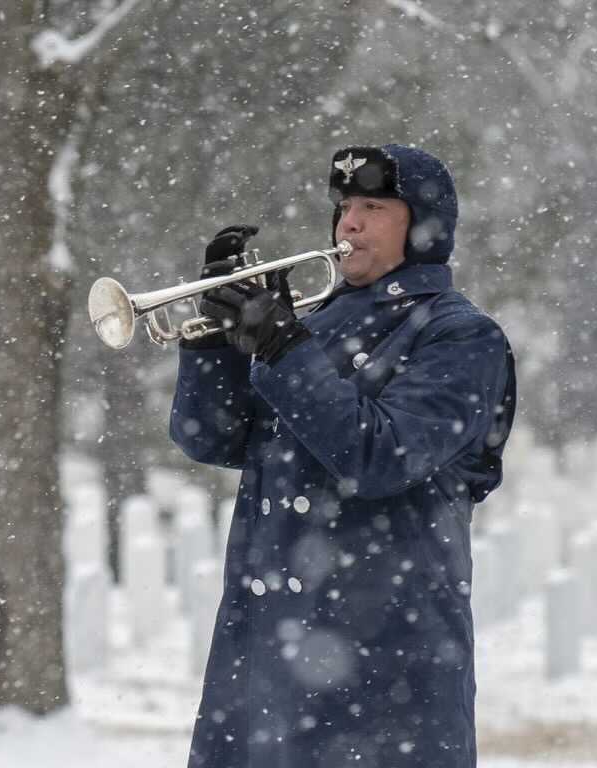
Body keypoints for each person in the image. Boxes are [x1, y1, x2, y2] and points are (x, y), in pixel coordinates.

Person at [169, 144, 516, 768]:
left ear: (423, 227)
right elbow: (210, 437)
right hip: (267, 642)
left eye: (374, 206)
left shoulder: (461, 336)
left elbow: (380, 456)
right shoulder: (313, 322)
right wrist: (218, 340)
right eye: (343, 206)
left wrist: (279, 346)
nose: (348, 223)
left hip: (384, 661)